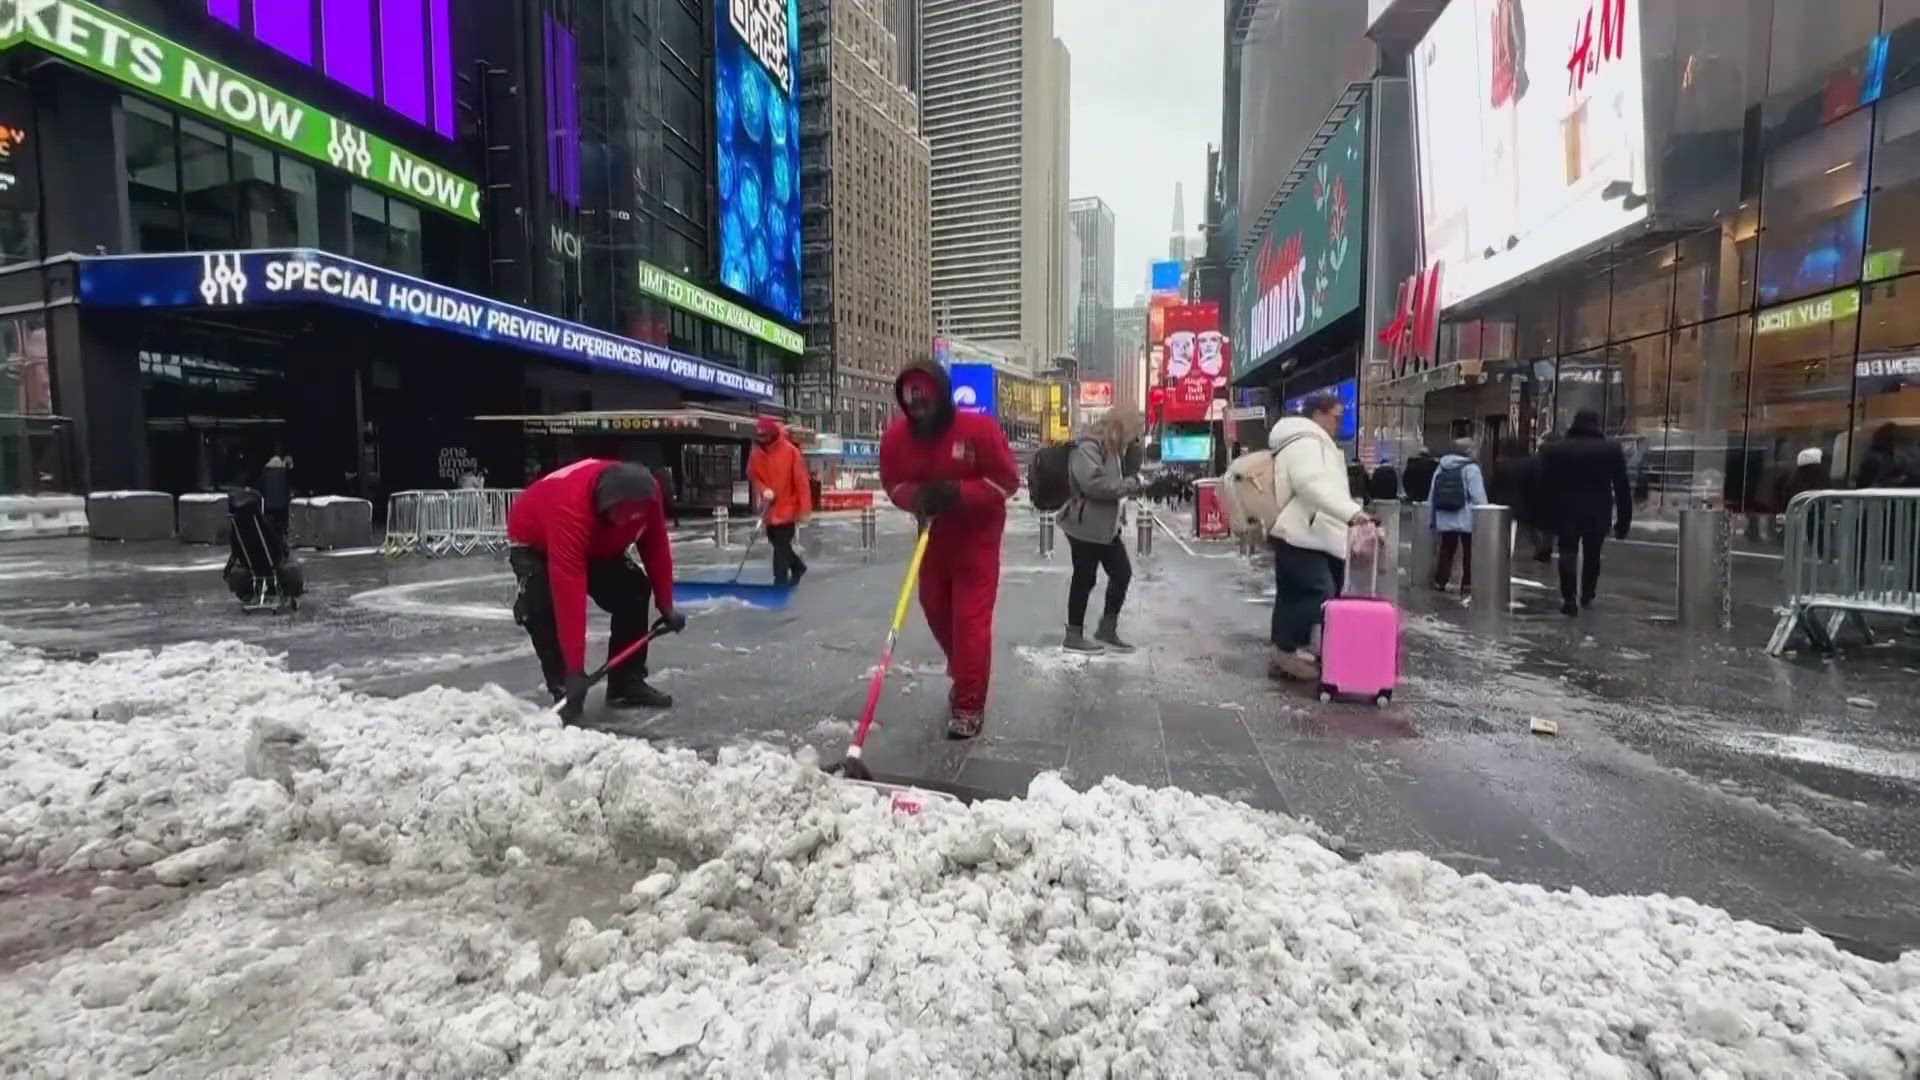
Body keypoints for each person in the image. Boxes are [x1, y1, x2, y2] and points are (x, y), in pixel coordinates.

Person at [879, 359, 1019, 738]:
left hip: (977, 540)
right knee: (934, 606)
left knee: (969, 623)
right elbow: (891, 483)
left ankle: (969, 705)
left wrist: (958, 492)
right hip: (934, 539)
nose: (919, 410)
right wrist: (916, 497)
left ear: (941, 396)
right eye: (912, 403)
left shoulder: (977, 429)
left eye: (926, 400)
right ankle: (965, 671)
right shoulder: (895, 439)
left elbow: (1007, 481)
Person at [506, 459, 685, 722]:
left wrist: (666, 604)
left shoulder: (648, 496)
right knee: (543, 607)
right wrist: (574, 670)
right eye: (620, 516)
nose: (627, 522)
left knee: (633, 589)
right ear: (604, 505)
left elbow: (655, 547)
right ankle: (564, 690)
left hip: (600, 544)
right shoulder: (571, 510)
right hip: (536, 543)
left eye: (632, 519)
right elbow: (569, 594)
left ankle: (626, 682)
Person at [1266, 393, 1372, 682]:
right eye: (1336, 417)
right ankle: (1286, 650)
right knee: (1320, 591)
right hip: (1304, 532)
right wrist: (1353, 514)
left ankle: (1284, 651)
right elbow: (1311, 484)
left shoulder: (1309, 442)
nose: (1339, 423)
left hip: (1307, 531)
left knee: (1294, 592)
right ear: (1319, 414)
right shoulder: (1307, 442)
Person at [1059, 409, 1145, 653]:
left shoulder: (1113, 449)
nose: (1133, 439)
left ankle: (1106, 629)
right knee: (1084, 577)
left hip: (1106, 527)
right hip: (1085, 525)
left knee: (1121, 573)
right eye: (1132, 434)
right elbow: (1093, 484)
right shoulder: (1088, 446)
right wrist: (1128, 486)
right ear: (1119, 428)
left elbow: (1116, 480)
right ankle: (1073, 635)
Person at [1538, 410, 1632, 616]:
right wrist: (1623, 521)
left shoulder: (1558, 449)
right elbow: (1622, 487)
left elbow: (1545, 485)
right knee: (1593, 554)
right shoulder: (1610, 449)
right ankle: (1588, 593)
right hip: (1597, 511)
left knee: (1567, 552)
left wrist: (1543, 514)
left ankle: (1569, 597)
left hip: (1566, 510)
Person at [747, 415, 813, 586]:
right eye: (759, 437)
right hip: (769, 508)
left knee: (781, 545)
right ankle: (797, 566)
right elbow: (753, 475)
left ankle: (780, 579)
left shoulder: (791, 452)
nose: (762, 441)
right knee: (775, 541)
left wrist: (804, 509)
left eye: (765, 437)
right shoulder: (756, 453)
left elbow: (801, 482)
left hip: (788, 507)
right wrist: (763, 490)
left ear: (773, 434)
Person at [1428, 438, 1488, 593]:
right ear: (1468, 451)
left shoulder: (1441, 467)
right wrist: (1486, 514)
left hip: (1444, 515)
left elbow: (1432, 494)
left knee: (1447, 548)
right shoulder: (1471, 469)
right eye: (1474, 448)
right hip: (1466, 516)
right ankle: (1467, 582)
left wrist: (1431, 517)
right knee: (1469, 550)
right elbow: (1478, 496)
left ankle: (1440, 580)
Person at [259, 450, 292, 534]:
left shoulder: (266, 470)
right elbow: (287, 486)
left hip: (269, 503)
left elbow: (262, 486)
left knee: (271, 523)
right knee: (281, 522)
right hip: (282, 503)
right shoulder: (283, 471)